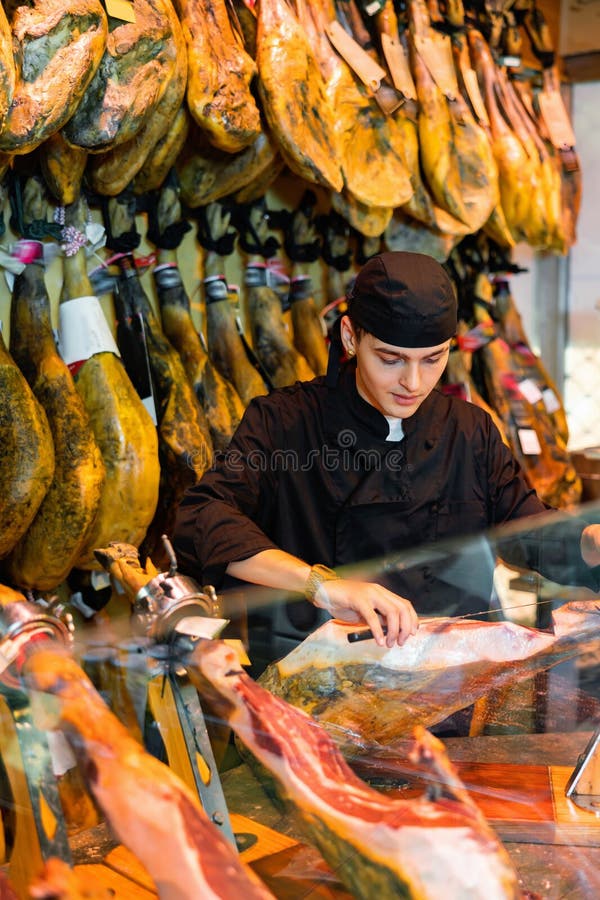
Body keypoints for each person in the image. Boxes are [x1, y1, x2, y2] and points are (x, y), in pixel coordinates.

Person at [172, 251, 600, 651]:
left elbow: (523, 527)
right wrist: (321, 584)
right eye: (391, 359)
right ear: (350, 337)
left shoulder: (469, 431)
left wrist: (587, 541)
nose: (412, 383)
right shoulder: (284, 423)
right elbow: (204, 516)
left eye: (433, 359)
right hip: (313, 682)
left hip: (442, 685)